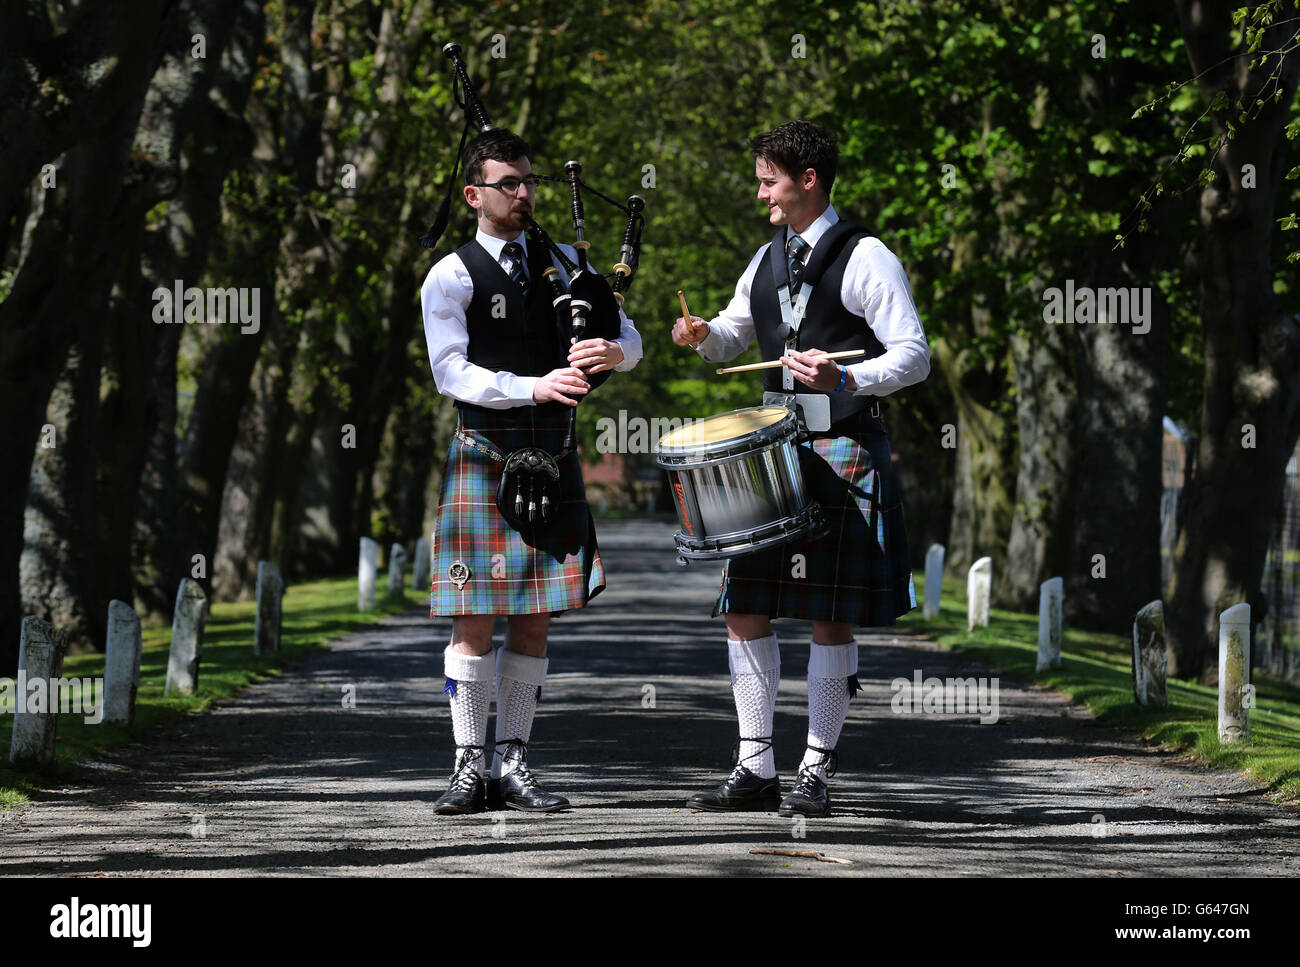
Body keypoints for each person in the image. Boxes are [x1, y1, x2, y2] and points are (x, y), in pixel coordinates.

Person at [671, 119, 929, 817]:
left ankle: (815, 769)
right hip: (767, 455)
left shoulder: (867, 256)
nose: (762, 195)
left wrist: (845, 379)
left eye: (769, 181)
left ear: (807, 179)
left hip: (840, 447)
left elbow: (913, 355)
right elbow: (731, 335)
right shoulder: (766, 258)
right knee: (745, 608)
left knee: (828, 614)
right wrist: (701, 336)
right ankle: (755, 765)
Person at [421, 129, 642, 814]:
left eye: (527, 181)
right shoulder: (451, 274)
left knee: (535, 617)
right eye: (507, 184)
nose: (523, 194)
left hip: (552, 455)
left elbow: (625, 333)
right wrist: (532, 385)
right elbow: (448, 369)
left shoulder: (566, 260)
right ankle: (467, 765)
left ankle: (513, 762)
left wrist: (615, 353)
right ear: (473, 194)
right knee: (473, 617)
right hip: (487, 451)